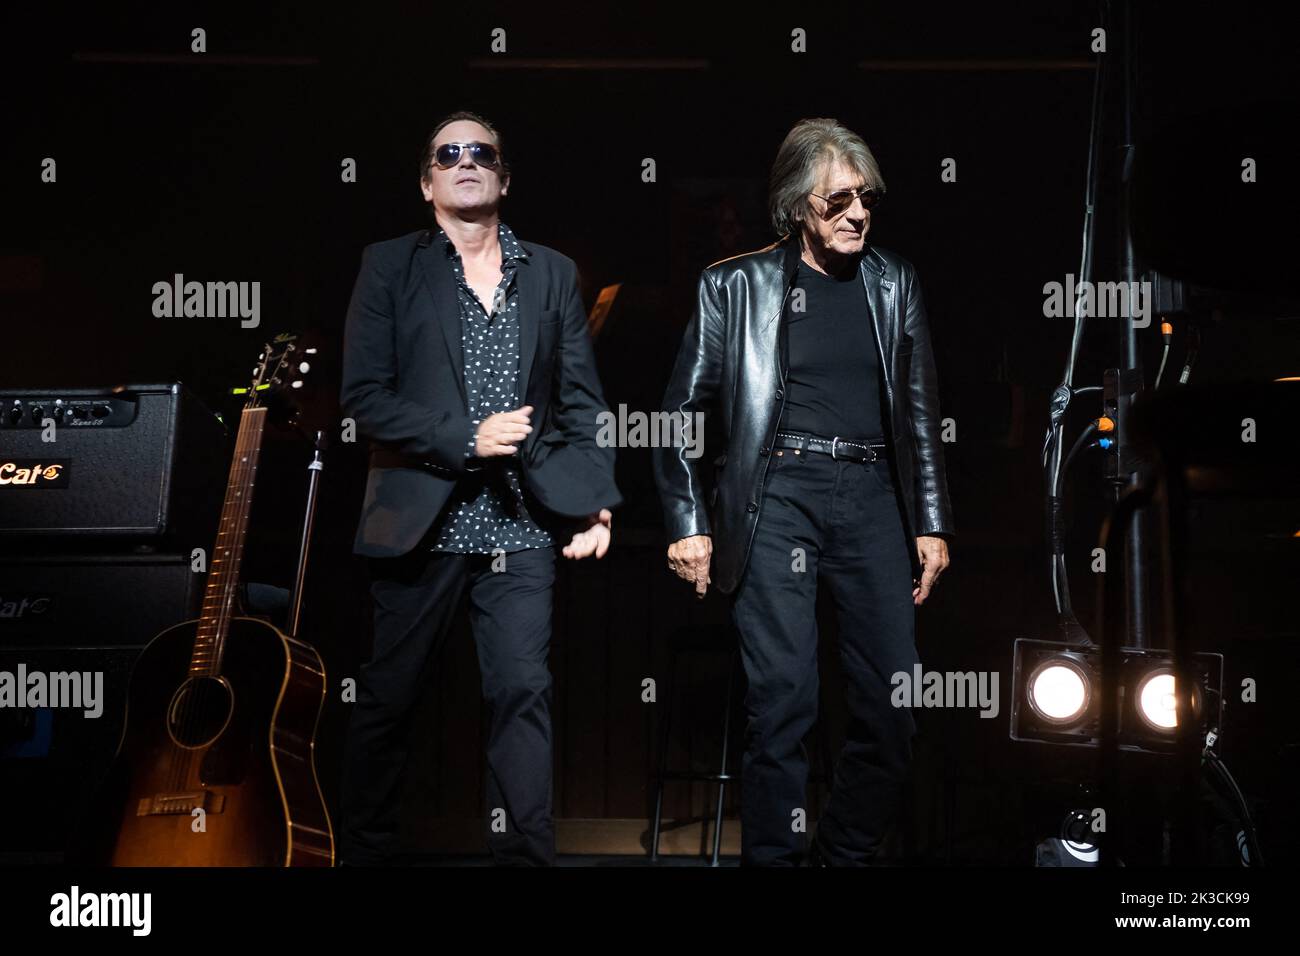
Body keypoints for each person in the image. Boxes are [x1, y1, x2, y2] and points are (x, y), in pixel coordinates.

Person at [655, 117, 955, 866]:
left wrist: (933, 522)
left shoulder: (895, 283)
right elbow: (676, 417)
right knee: (783, 705)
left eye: (868, 199)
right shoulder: (735, 286)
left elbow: (921, 413)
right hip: (776, 493)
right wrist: (689, 521)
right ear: (798, 207)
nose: (858, 213)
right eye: (839, 200)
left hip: (871, 497)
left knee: (894, 709)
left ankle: (839, 857)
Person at [338, 110, 621, 866]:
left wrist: (596, 499)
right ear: (427, 180)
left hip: (520, 521)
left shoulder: (552, 272)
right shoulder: (390, 264)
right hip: (418, 518)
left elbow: (580, 401)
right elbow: (364, 397)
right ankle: (359, 854)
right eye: (448, 153)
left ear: (503, 175)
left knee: (522, 693)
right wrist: (465, 437)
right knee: (390, 700)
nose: (466, 160)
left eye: (481, 151)